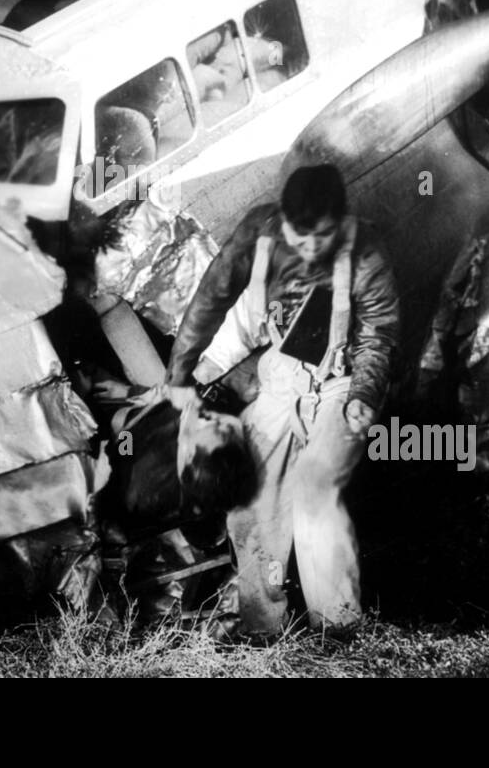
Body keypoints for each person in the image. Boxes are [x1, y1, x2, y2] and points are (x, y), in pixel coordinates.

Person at [166, 163, 400, 637]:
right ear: (283, 219)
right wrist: (181, 370)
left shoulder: (368, 256)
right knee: (250, 494)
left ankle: (340, 635)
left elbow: (378, 335)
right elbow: (212, 295)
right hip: (283, 377)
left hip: (343, 382)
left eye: (324, 236)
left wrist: (364, 394)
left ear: (341, 222)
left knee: (315, 490)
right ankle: (262, 628)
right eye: (300, 236)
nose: (311, 248)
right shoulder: (259, 232)